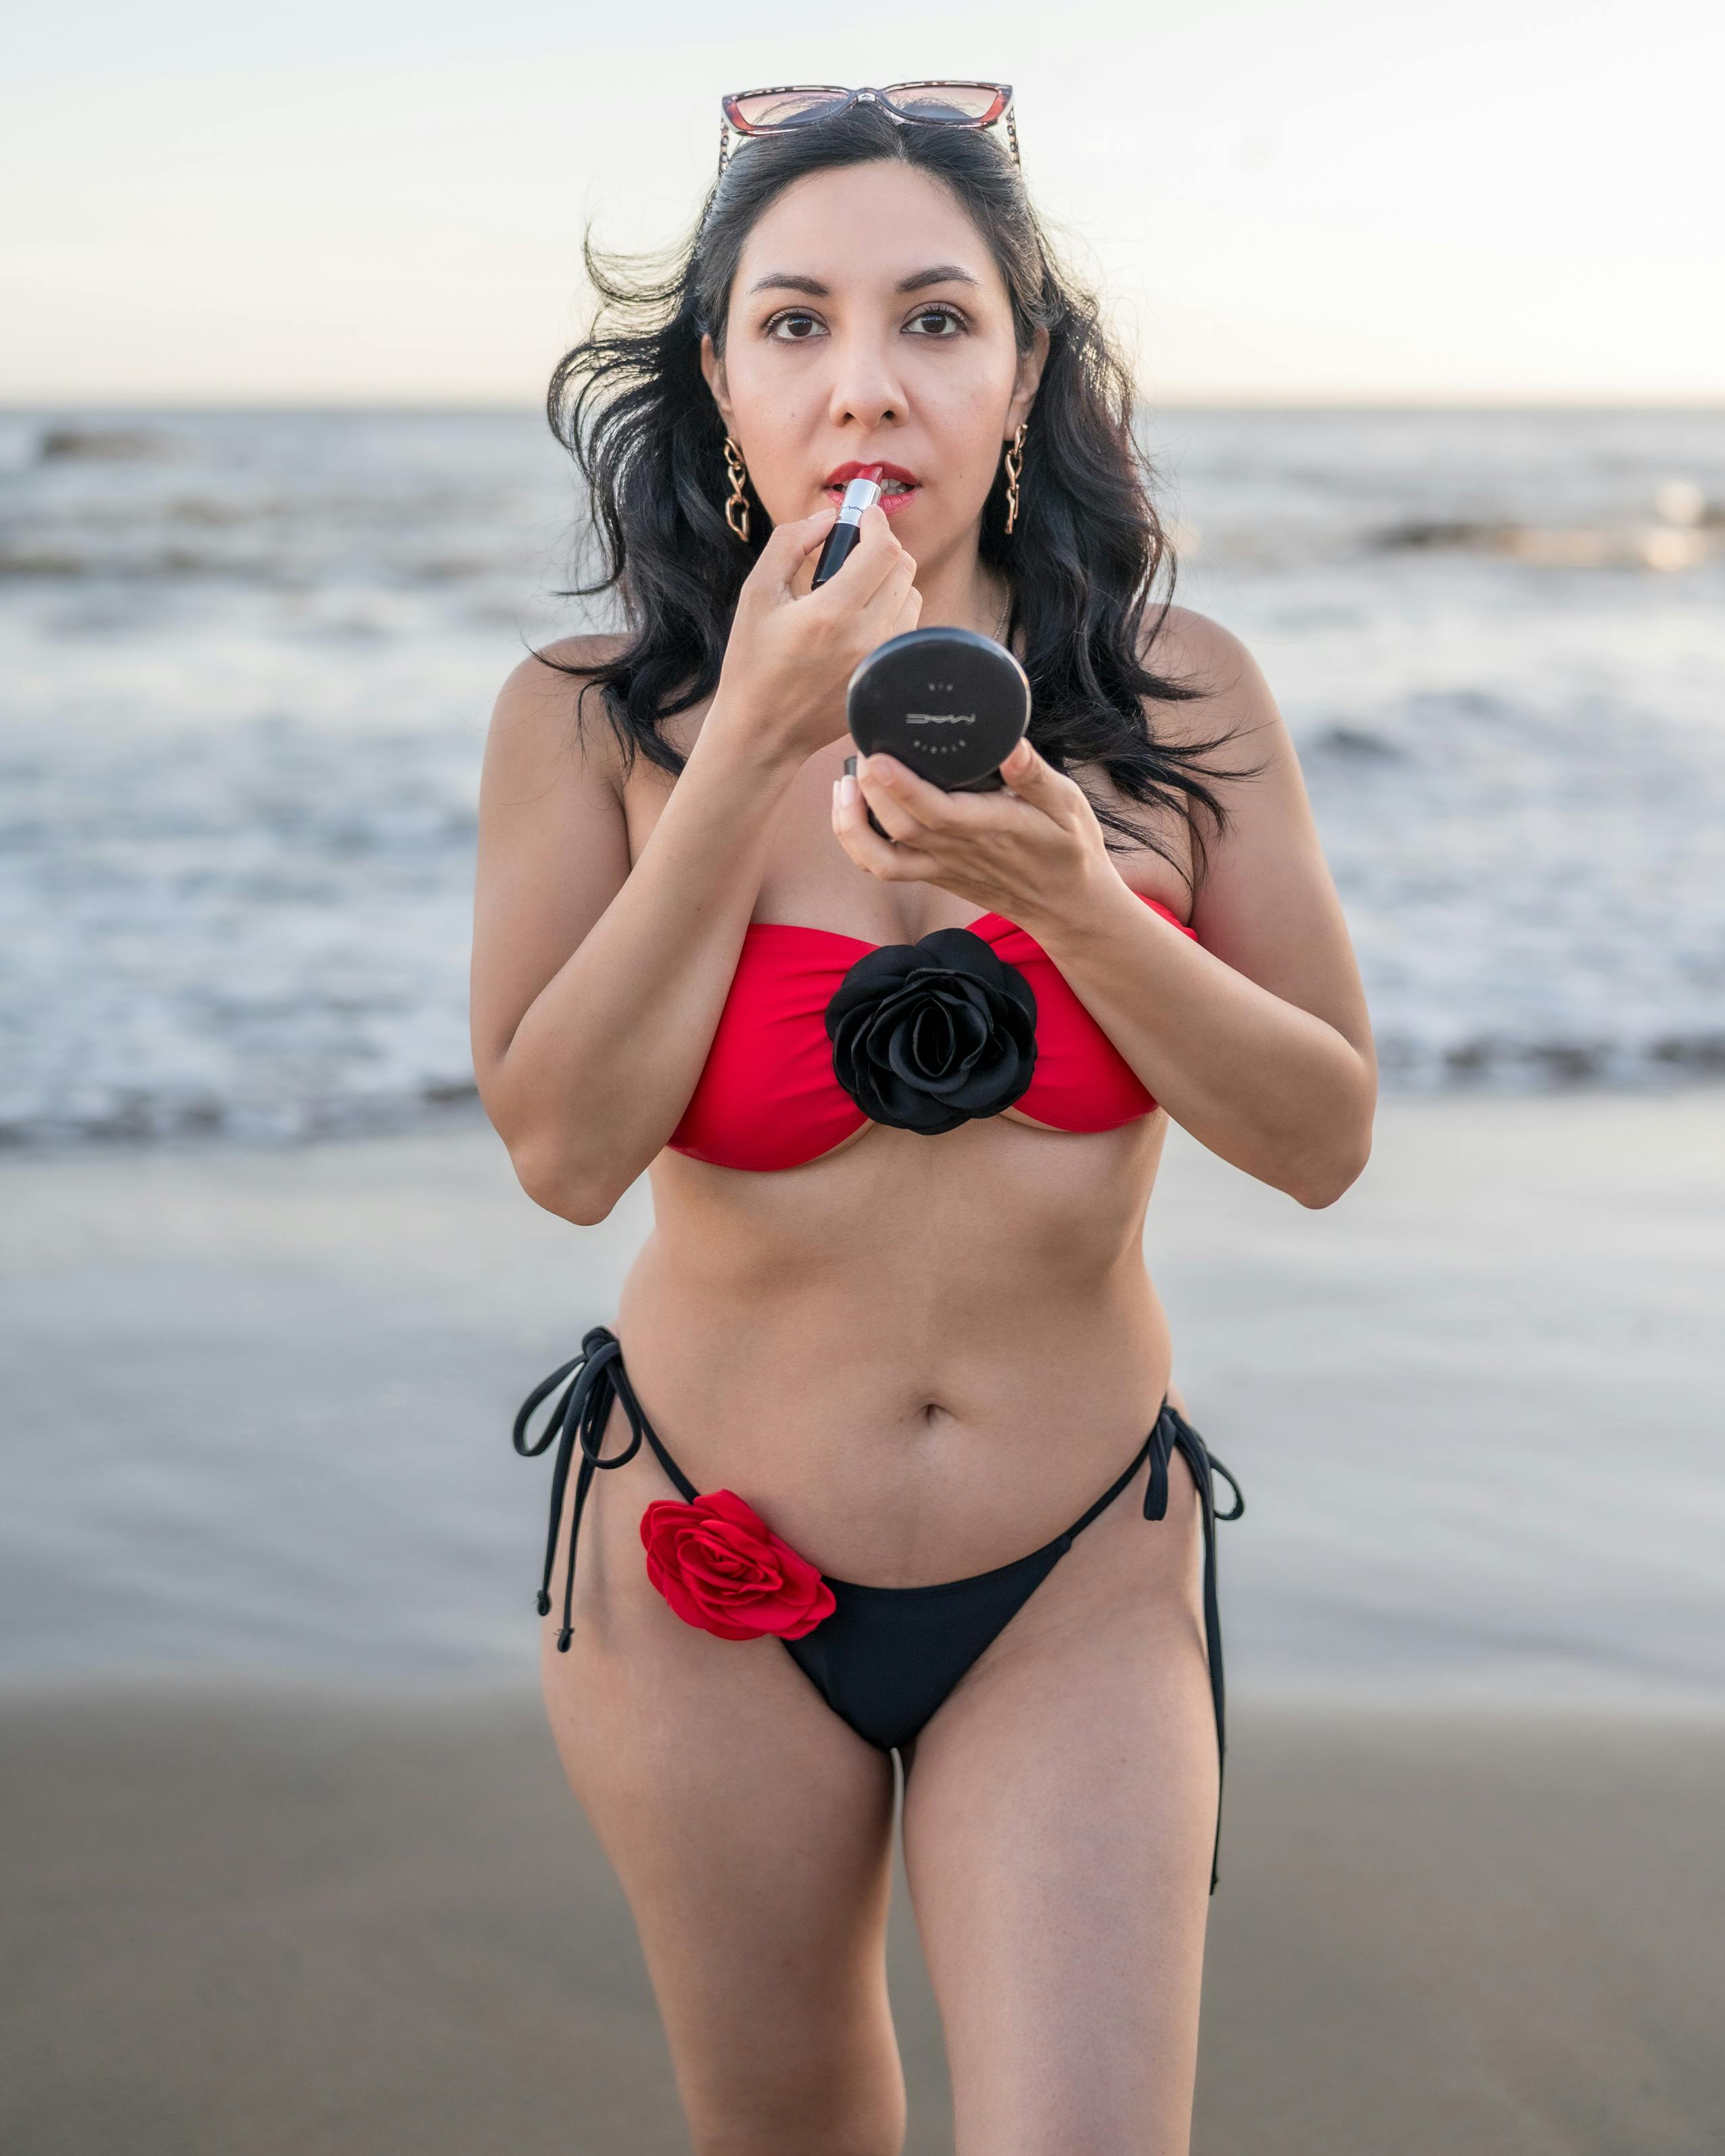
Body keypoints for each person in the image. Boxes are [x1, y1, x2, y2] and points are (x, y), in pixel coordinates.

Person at [471, 80, 1375, 2156]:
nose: (864, 383)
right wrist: (747, 747)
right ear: (721, 379)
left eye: (935, 318)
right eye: (795, 322)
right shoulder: (587, 720)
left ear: (1025, 370)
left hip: (1073, 1577)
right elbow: (565, 1152)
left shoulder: (1183, 697)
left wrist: (1079, 902)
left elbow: (1322, 1133)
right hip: (703, 1572)